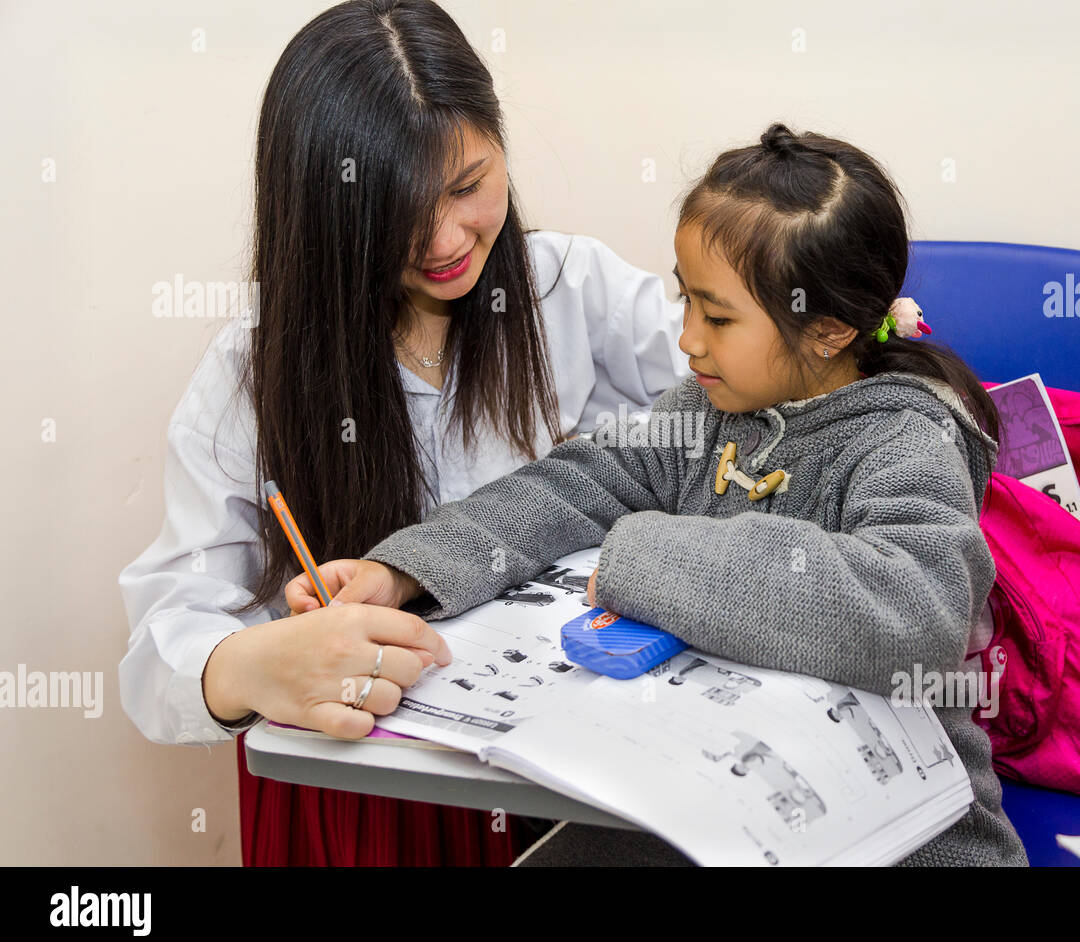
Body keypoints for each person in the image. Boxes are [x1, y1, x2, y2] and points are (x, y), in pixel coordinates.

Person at [284, 122, 1031, 866]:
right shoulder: (705, 411)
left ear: (829, 329)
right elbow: (579, 483)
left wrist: (646, 552)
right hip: (707, 803)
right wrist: (404, 572)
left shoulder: (907, 438)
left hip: (902, 833)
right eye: (686, 303)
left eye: (718, 316)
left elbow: (915, 610)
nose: (688, 340)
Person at [117, 0, 693, 866]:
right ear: (322, 213)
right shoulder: (254, 369)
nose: (444, 239)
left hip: (564, 774)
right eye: (394, 212)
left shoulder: (572, 292)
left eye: (468, 186)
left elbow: (746, 386)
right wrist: (249, 666)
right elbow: (158, 655)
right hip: (363, 796)